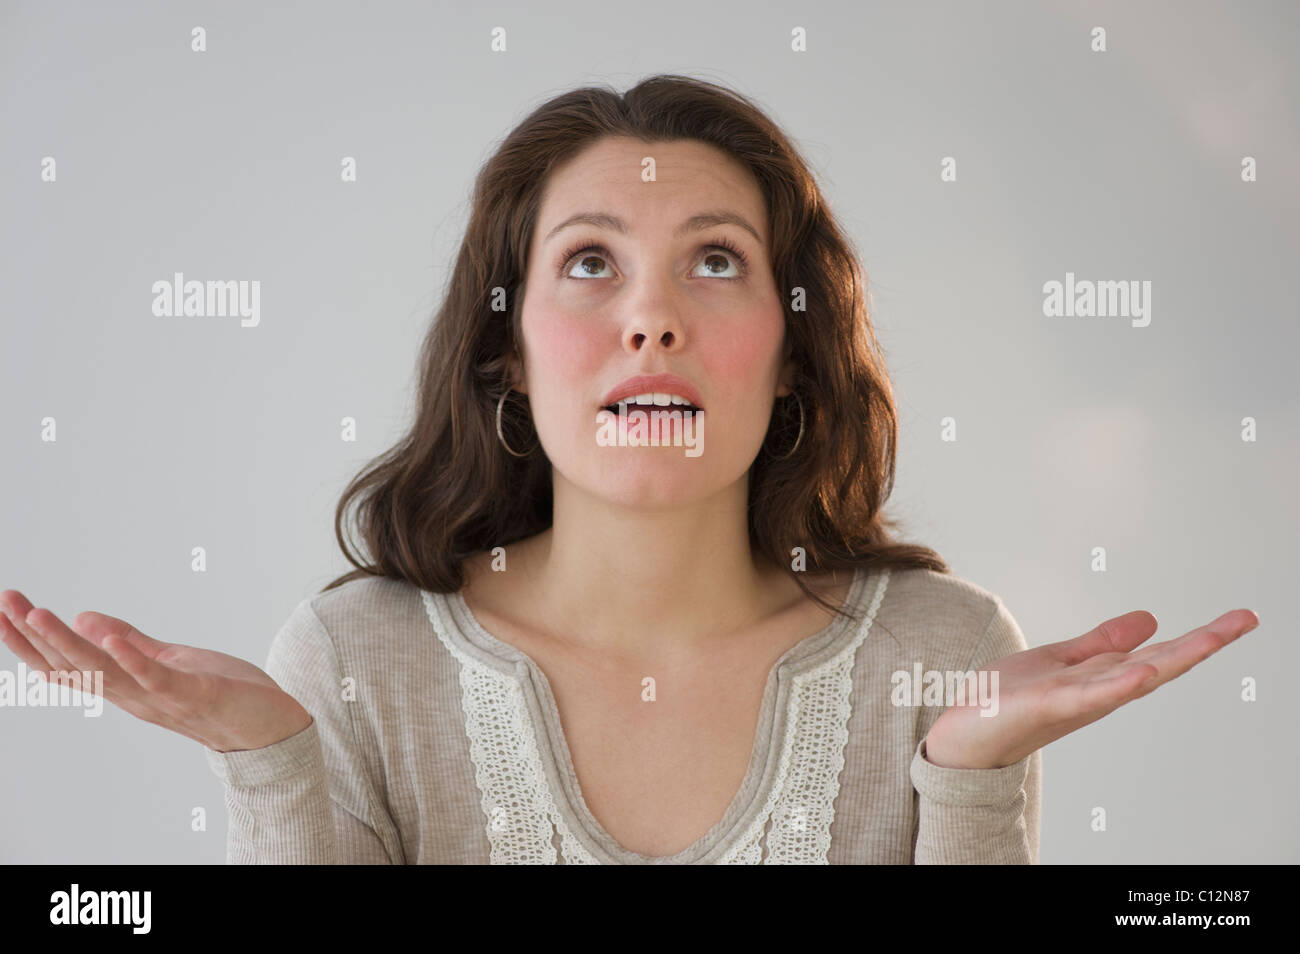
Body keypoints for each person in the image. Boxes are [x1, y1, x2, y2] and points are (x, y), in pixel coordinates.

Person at [0, 74, 1259, 865]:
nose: (651, 319)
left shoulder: (944, 646)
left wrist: (968, 779)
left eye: (715, 261)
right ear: (508, 350)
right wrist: (274, 765)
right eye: (589, 263)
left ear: (789, 349)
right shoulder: (355, 660)